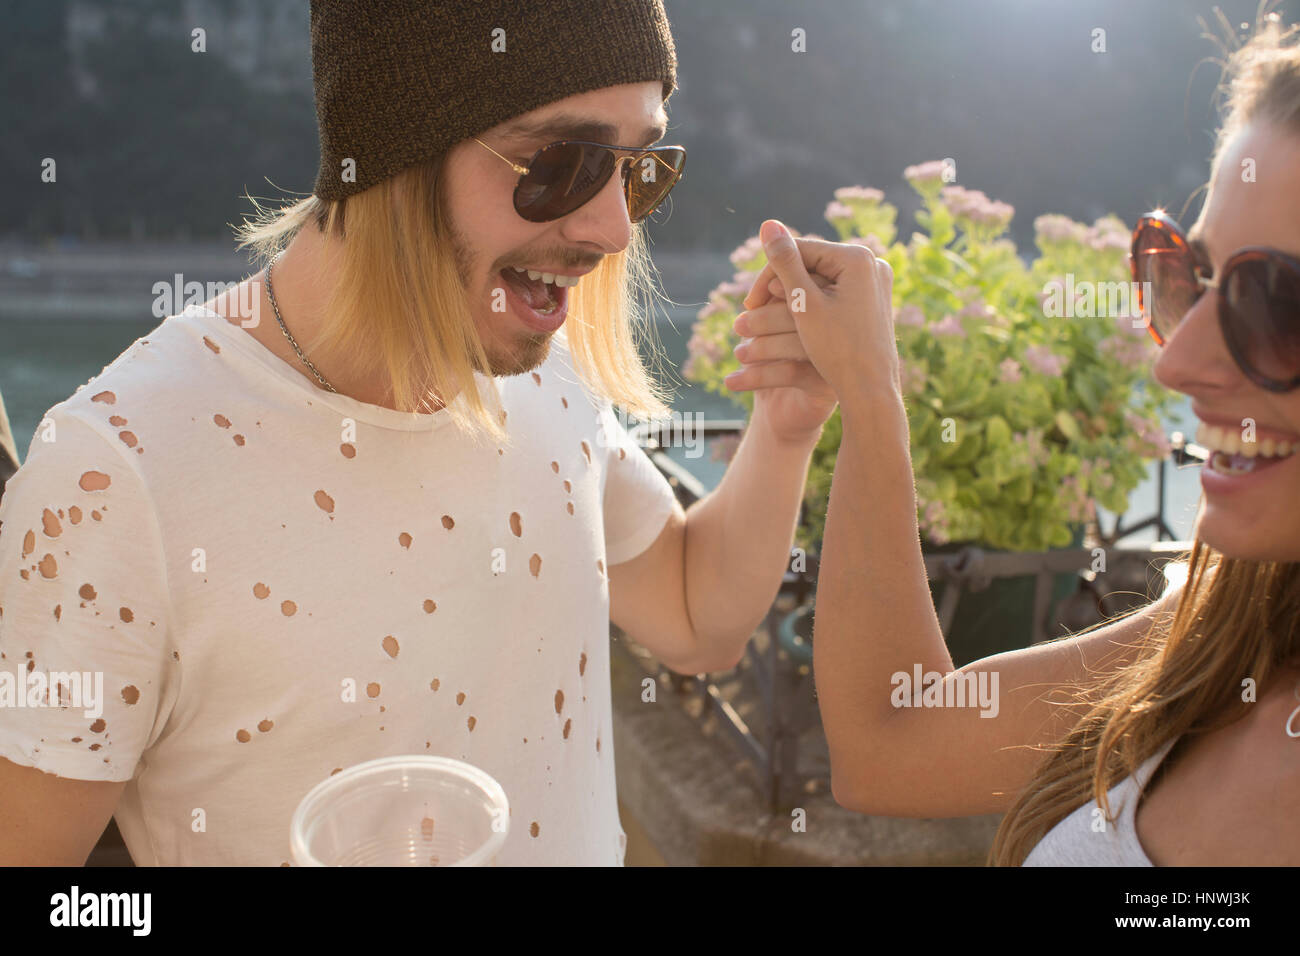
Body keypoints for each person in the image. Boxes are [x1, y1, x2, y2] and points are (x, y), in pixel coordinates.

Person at [0, 1, 838, 866]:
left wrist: (784, 423)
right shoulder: (116, 473)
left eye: (640, 169)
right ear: (394, 152)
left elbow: (699, 617)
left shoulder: (539, 366)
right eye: (564, 162)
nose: (615, 228)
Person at [733, 16, 1300, 864]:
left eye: (1275, 306)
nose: (1174, 365)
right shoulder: (1230, 630)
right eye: (1191, 277)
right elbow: (892, 739)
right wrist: (869, 391)